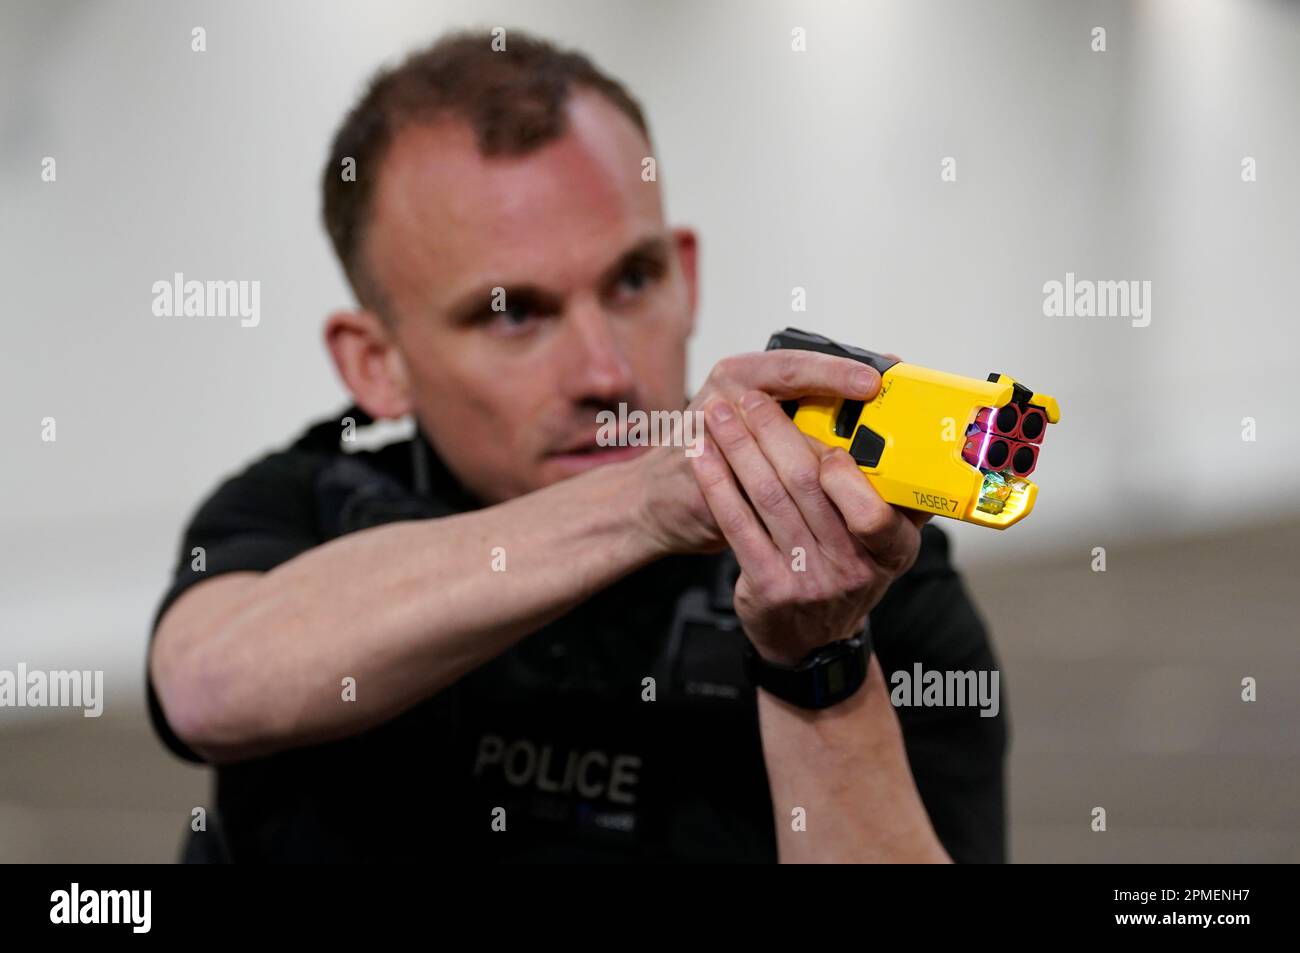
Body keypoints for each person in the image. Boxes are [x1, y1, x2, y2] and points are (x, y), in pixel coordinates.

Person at [147, 28, 1006, 863]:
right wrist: (642, 504)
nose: (606, 370)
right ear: (377, 364)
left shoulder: (856, 572)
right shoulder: (303, 507)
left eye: (633, 281)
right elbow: (206, 687)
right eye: (513, 312)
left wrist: (818, 666)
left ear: (687, 276)